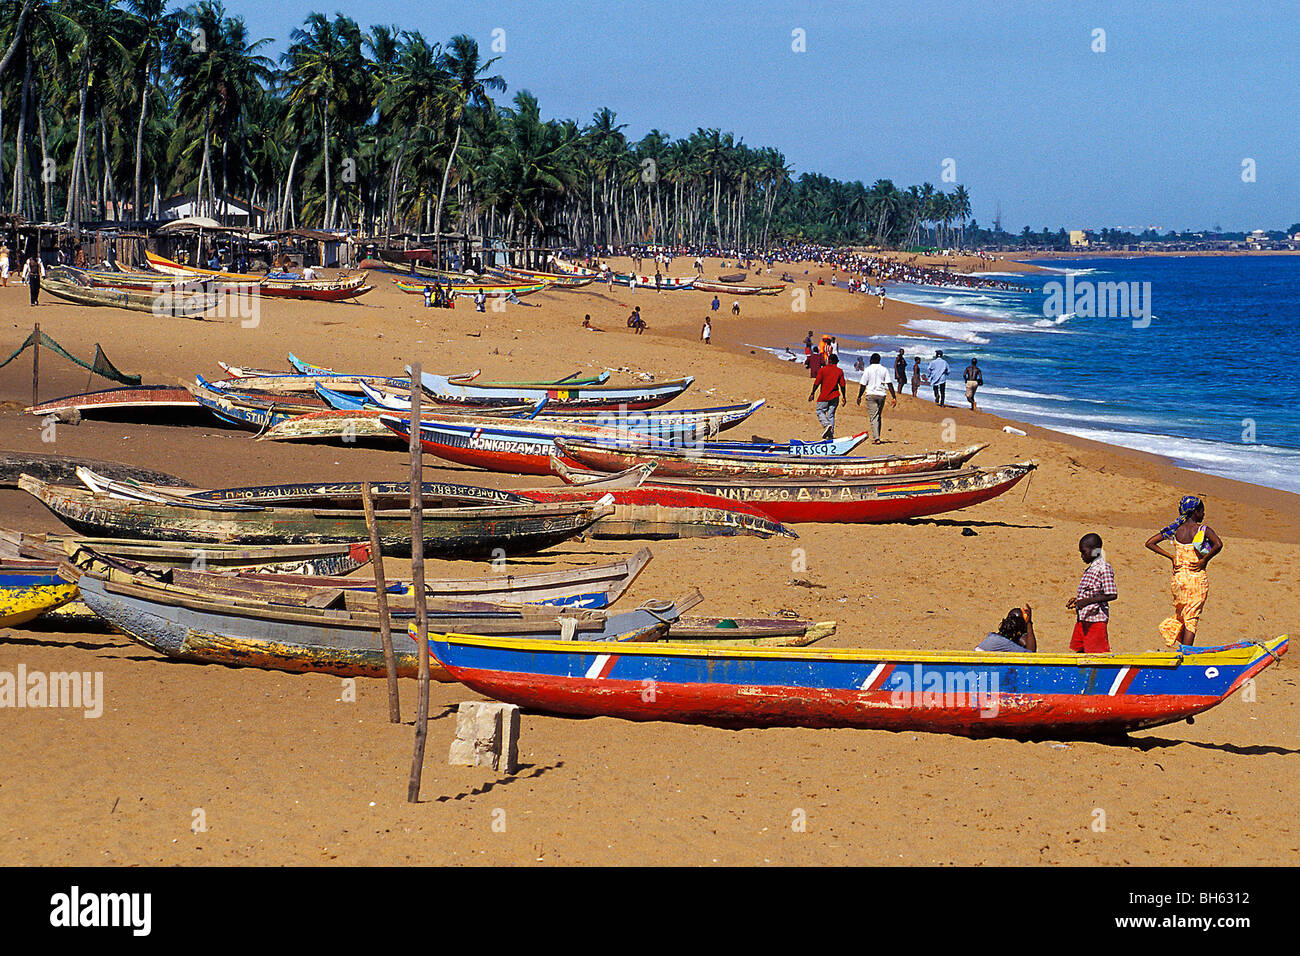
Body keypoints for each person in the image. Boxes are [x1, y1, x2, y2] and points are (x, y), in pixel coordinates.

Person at [1144, 496, 1222, 647]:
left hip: (1178, 578)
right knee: (1191, 618)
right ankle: (1186, 653)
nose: (1203, 514)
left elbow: (1150, 543)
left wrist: (1172, 557)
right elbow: (1218, 544)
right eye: (1201, 511)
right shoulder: (1202, 530)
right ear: (1195, 512)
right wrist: (1204, 560)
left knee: (1182, 615)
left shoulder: (1177, 530)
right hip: (1196, 578)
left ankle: (1183, 649)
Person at [1067, 533, 1116, 653]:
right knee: (1080, 651)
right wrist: (1077, 600)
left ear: (1095, 550)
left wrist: (1086, 601)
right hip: (1084, 618)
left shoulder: (1103, 568)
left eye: (1084, 552)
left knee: (1096, 654)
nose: (1082, 556)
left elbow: (1112, 594)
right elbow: (1091, 592)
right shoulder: (1091, 569)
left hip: (1096, 621)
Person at [855, 353, 897, 443]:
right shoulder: (884, 369)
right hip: (881, 395)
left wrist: (859, 396)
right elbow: (889, 384)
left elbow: (863, 384)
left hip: (871, 394)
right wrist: (894, 396)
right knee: (878, 416)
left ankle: (876, 438)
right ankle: (877, 435)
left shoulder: (868, 370)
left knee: (874, 417)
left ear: (871, 360)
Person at [808, 352, 847, 440]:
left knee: (819, 411)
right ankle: (830, 435)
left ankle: (826, 425)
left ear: (828, 361)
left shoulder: (823, 370)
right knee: (831, 415)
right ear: (837, 362)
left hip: (824, 396)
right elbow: (842, 385)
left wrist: (812, 393)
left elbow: (817, 382)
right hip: (835, 396)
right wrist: (844, 397)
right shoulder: (839, 371)